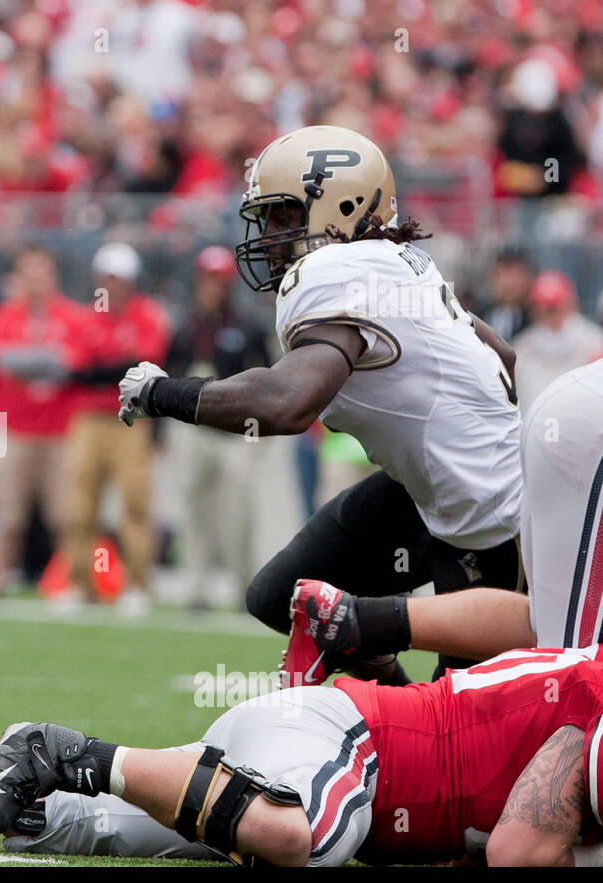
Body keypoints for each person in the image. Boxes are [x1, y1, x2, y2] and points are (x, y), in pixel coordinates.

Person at [118, 125, 523, 684]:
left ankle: (374, 659)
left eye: (282, 217)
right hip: (436, 489)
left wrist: (162, 392)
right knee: (281, 595)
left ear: (342, 207)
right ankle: (384, 682)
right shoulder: (396, 261)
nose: (268, 235)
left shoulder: (338, 272)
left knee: (468, 732)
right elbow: (502, 353)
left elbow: (286, 405)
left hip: (491, 518)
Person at [0, 645, 603, 867]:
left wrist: (384, 621)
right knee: (299, 838)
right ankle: (75, 750)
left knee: (45, 821)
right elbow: (524, 858)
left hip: (332, 752)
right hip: (352, 748)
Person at [285, 357, 603, 684]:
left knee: (549, 638)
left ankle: (356, 622)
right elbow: (292, 406)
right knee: (568, 658)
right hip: (500, 470)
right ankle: (355, 622)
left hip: (537, 431)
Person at [59, 241, 169, 614]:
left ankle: (137, 584)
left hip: (129, 419)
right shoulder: (84, 318)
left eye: (119, 278)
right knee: (80, 506)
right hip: (89, 419)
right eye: (108, 277)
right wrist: (114, 370)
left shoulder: (147, 316)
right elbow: (76, 371)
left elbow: (144, 370)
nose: (113, 284)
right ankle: (80, 583)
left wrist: (103, 370)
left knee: (135, 503)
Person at [164, 244, 269, 610]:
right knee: (194, 511)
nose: (213, 287)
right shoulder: (184, 327)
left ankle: (245, 588)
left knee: (239, 513)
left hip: (233, 431)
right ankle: (196, 588)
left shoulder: (246, 326)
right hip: (192, 431)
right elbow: (169, 379)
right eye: (208, 279)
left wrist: (259, 433)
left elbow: (268, 379)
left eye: (219, 280)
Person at [0, 247, 81, 598]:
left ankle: (68, 582)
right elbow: (3, 360)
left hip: (61, 430)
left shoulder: (71, 315)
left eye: (43, 272)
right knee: (8, 514)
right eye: (30, 272)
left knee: (64, 515)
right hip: (13, 428)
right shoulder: (5, 314)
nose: (37, 280)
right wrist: (46, 360)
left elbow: (73, 363)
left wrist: (34, 361)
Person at [510, 270, 603, 408]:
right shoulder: (521, 349)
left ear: (571, 304)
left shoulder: (594, 343)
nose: (551, 316)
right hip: (537, 423)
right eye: (544, 309)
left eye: (555, 308)